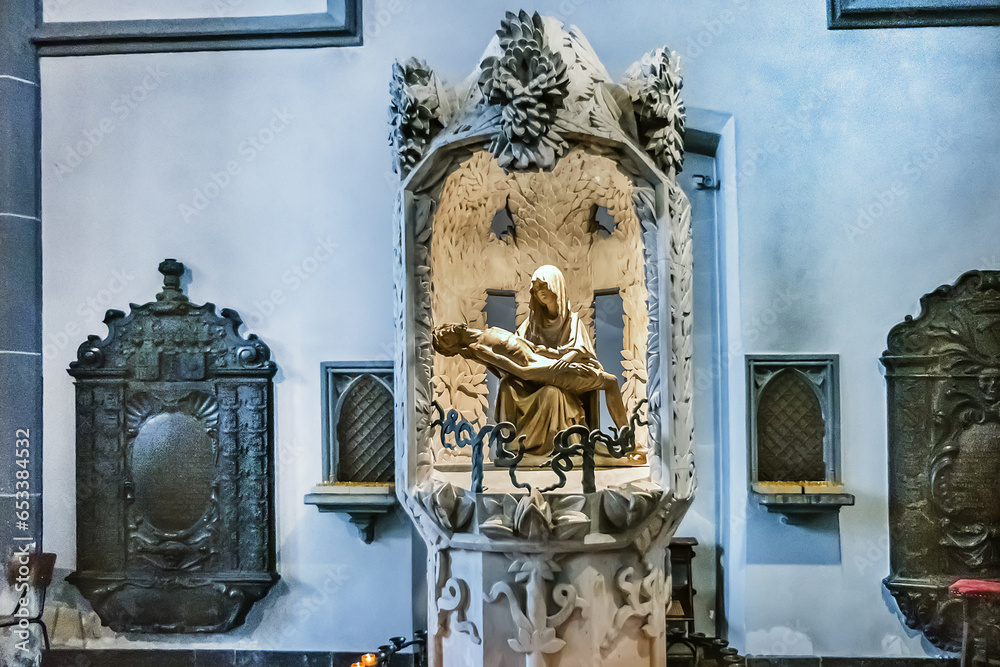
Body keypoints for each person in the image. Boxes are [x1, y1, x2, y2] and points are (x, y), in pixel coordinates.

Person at [433, 265, 627, 455]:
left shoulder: (572, 321)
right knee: (516, 386)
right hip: (538, 375)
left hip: (558, 370)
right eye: (537, 287)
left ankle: (626, 439)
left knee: (608, 382)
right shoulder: (530, 325)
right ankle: (517, 446)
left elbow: (573, 351)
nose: (540, 291)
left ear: (556, 286)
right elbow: (517, 360)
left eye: (544, 285)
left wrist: (566, 356)